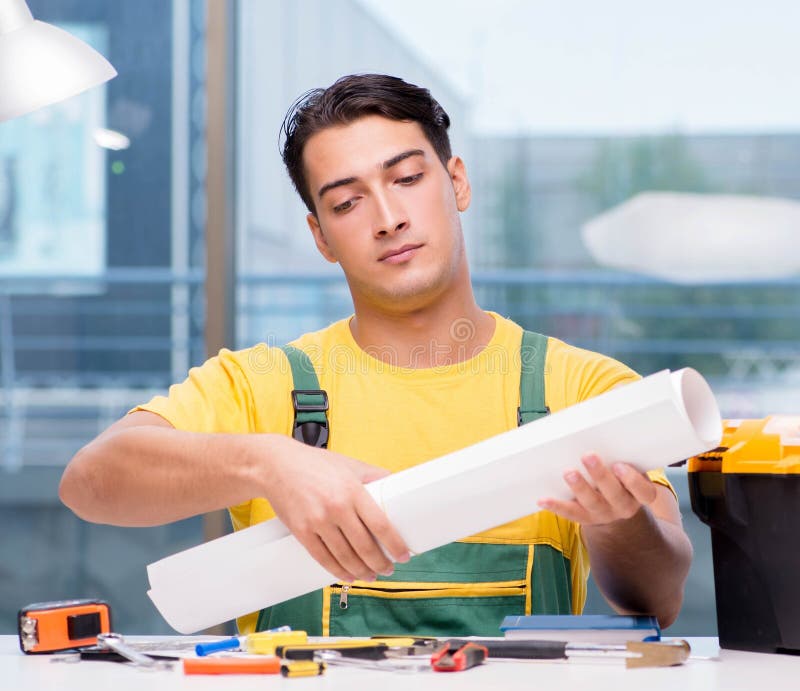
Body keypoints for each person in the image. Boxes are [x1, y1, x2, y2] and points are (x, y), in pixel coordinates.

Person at [59, 74, 692, 637]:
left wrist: (618, 521)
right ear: (320, 237)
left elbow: (660, 601)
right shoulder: (265, 385)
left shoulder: (581, 387)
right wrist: (266, 462)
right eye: (346, 202)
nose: (387, 218)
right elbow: (90, 483)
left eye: (408, 178)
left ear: (457, 181)